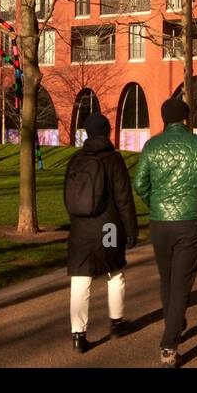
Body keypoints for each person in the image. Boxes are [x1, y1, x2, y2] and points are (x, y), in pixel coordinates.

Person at [132, 97, 197, 368]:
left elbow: (139, 183)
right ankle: (169, 346)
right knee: (182, 282)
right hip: (188, 221)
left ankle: (173, 321)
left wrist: (154, 203)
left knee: (166, 277)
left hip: (159, 223)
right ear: (185, 118)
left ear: (164, 118)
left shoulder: (152, 145)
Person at [63, 111, 139, 353]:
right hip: (108, 226)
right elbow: (124, 198)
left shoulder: (75, 159)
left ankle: (78, 335)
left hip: (81, 228)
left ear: (86, 132)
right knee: (114, 273)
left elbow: (68, 196)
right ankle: (116, 324)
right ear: (106, 132)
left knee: (80, 280)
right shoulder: (113, 159)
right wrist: (131, 230)